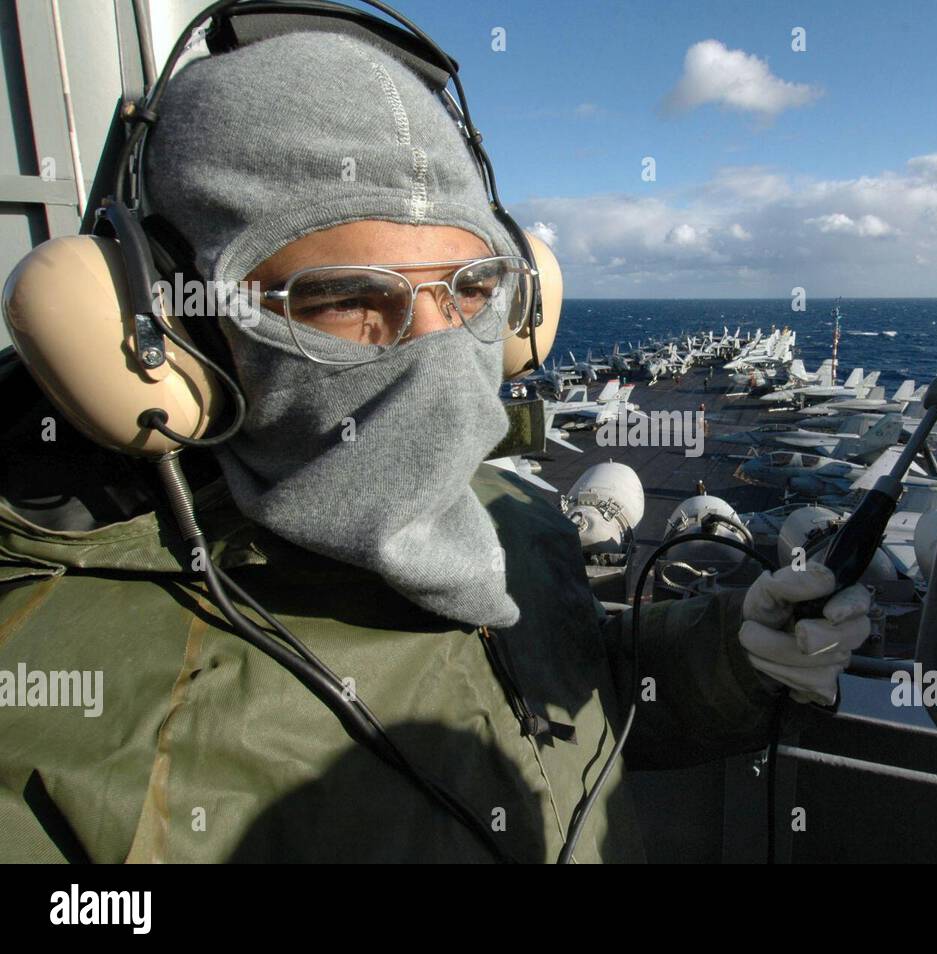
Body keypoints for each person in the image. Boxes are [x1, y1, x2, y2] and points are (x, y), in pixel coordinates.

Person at [0, 29, 869, 863]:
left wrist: (731, 657)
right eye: (345, 299)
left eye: (472, 289)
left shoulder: (512, 512)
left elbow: (563, 689)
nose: (440, 360)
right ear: (172, 323)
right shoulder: (35, 704)